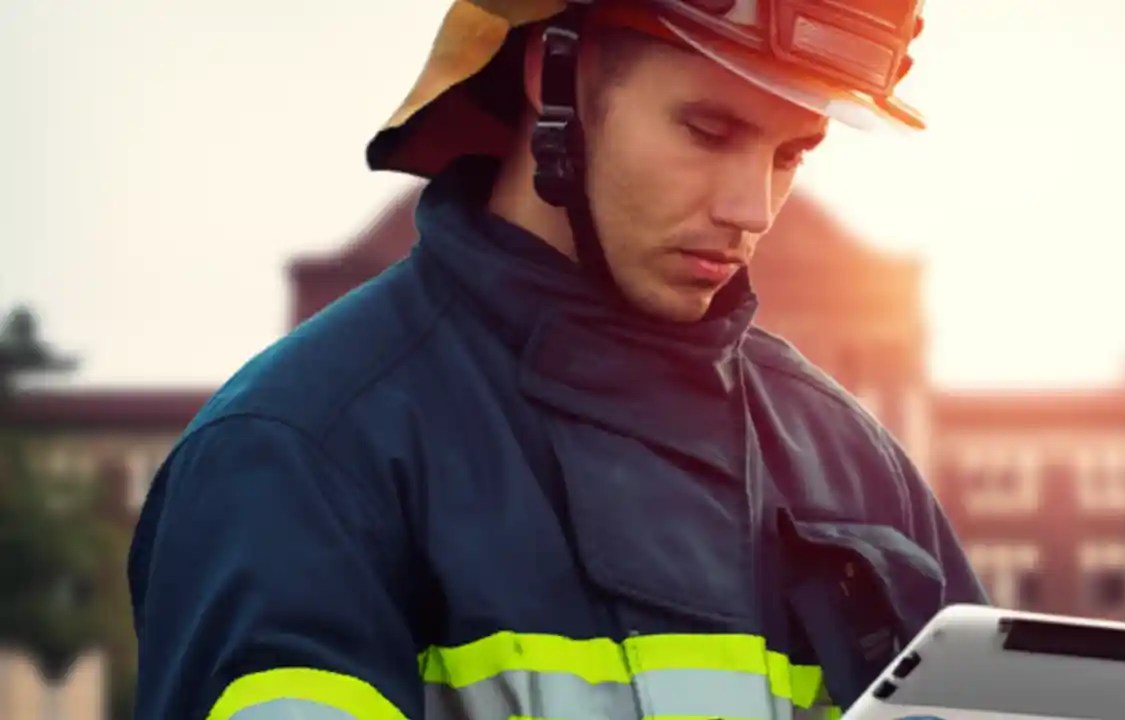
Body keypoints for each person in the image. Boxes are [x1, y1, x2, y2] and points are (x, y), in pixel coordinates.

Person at [128, 1, 988, 718]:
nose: (751, 206)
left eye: (792, 152)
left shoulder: (857, 469)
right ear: (556, 77)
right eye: (707, 129)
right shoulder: (299, 455)